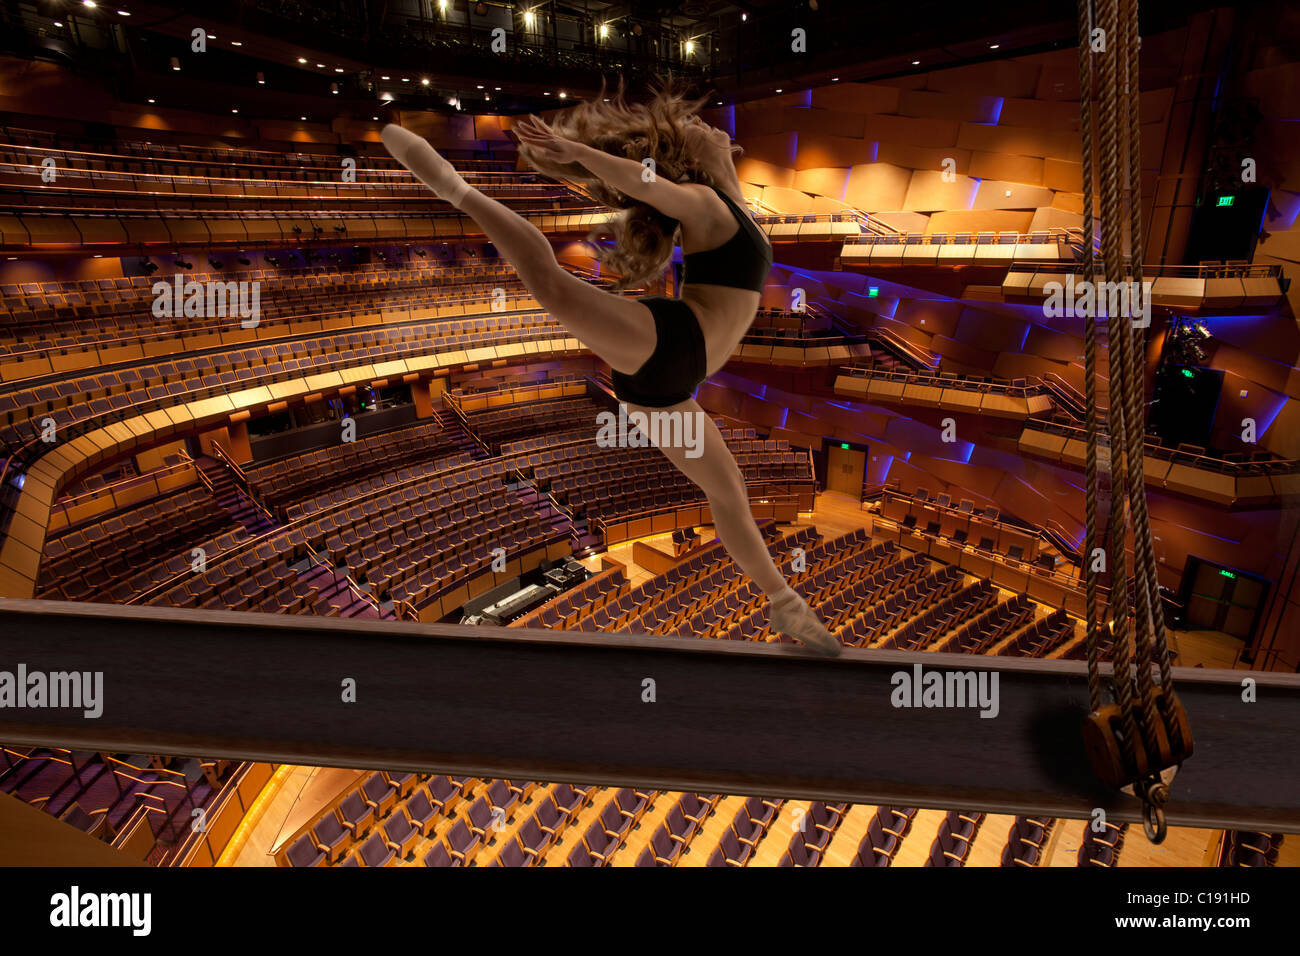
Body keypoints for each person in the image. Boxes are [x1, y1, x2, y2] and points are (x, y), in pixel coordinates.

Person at [380, 79, 840, 656]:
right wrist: (577, 153)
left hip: (669, 387)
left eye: (704, 125)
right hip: (671, 343)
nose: (707, 124)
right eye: (698, 127)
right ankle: (456, 189)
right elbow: (644, 182)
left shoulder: (730, 200)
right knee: (551, 284)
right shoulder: (705, 201)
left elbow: (661, 180)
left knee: (728, 493)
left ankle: (785, 603)